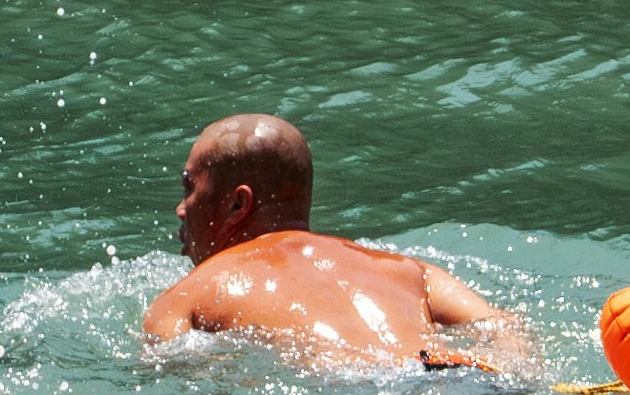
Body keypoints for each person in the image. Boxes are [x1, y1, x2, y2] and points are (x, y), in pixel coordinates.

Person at [142, 112, 536, 373]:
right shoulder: (404, 268)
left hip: (367, 390)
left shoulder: (189, 295)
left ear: (237, 204)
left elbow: (168, 373)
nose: (180, 208)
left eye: (188, 188)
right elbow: (503, 327)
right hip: (456, 370)